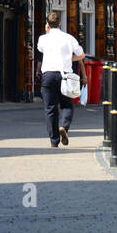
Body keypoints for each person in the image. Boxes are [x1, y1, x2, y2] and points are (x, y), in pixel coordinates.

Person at [36, 12, 84, 147]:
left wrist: (47, 32)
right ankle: (63, 126)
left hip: (48, 76)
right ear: (60, 23)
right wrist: (70, 58)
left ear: (48, 25)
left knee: (50, 108)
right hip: (65, 76)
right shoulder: (69, 38)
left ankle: (54, 141)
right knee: (67, 105)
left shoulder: (43, 39)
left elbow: (40, 49)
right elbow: (81, 55)